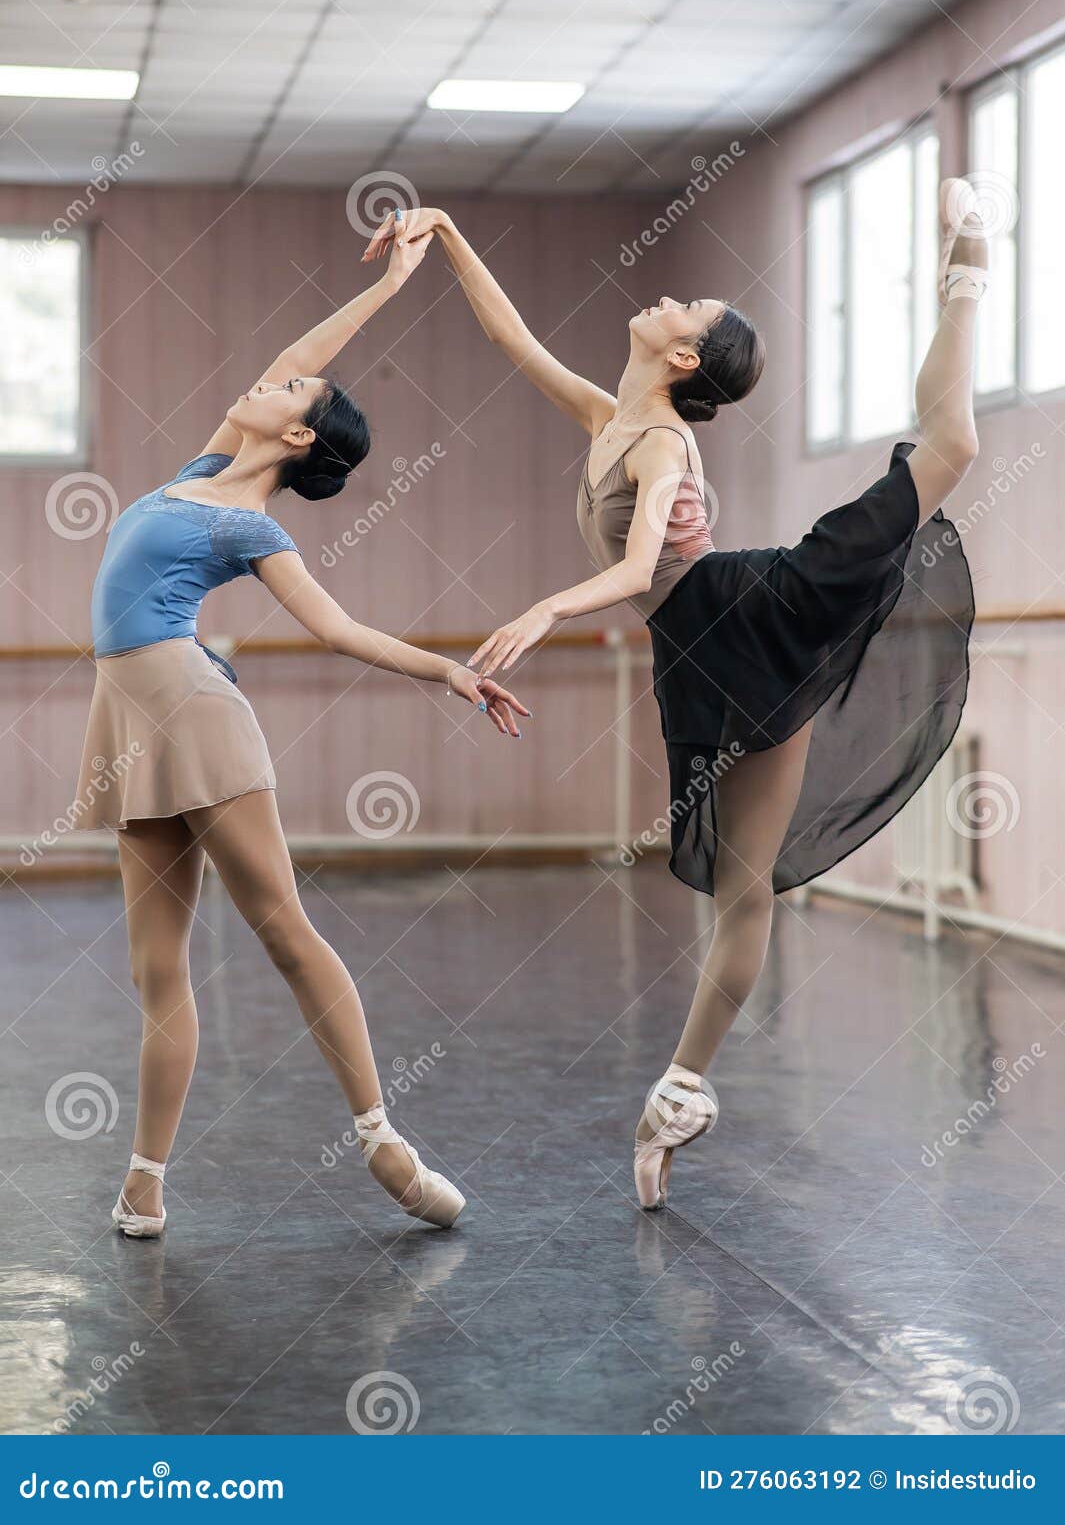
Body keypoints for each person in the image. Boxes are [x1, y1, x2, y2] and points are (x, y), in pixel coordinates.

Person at [362, 181, 985, 1211]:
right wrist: (452, 234)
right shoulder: (612, 415)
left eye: (687, 309)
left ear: (685, 357)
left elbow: (641, 559)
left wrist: (551, 606)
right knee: (742, 894)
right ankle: (680, 1094)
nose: (669, 300)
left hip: (756, 608)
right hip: (702, 650)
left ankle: (967, 270)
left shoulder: (658, 442)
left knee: (947, 451)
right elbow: (515, 341)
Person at [73, 215, 529, 1237]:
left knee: (282, 929)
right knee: (158, 969)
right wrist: (393, 284)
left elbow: (337, 628)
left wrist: (452, 673)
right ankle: (144, 1180)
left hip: (198, 716)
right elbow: (299, 360)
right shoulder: (201, 471)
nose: (272, 378)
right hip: (130, 723)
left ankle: (381, 1136)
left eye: (287, 397)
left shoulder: (251, 524)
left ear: (295, 439)